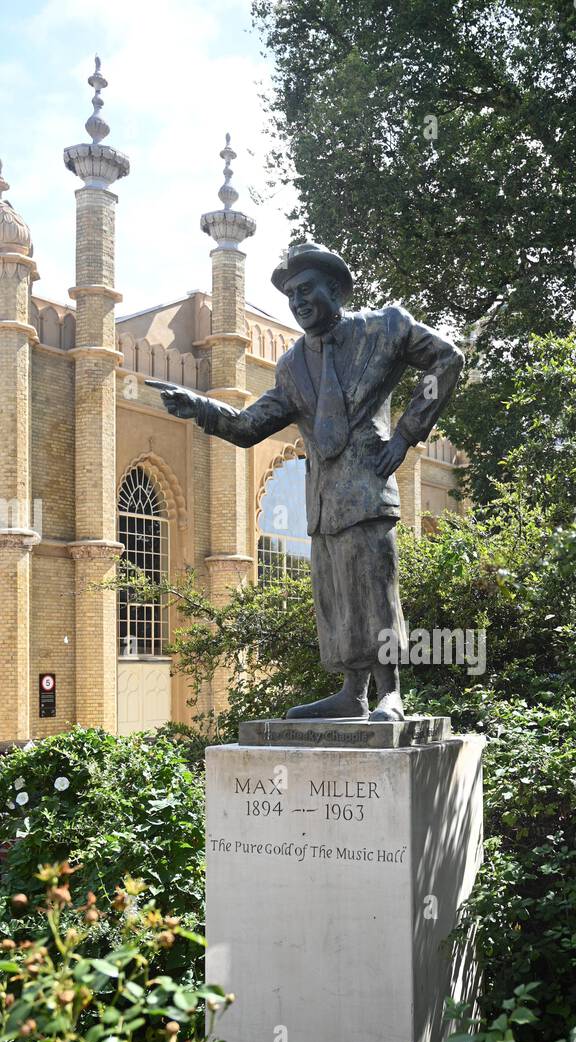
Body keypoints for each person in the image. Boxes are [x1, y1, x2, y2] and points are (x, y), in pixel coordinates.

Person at [150, 241, 463, 720]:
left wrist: (405, 436)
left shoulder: (384, 328)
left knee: (375, 589)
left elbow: (447, 359)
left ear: (334, 289)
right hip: (322, 502)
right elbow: (249, 426)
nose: (297, 302)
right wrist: (201, 408)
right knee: (335, 597)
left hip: (368, 488)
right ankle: (352, 693)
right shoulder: (292, 365)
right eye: (290, 295)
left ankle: (390, 693)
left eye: (305, 289)